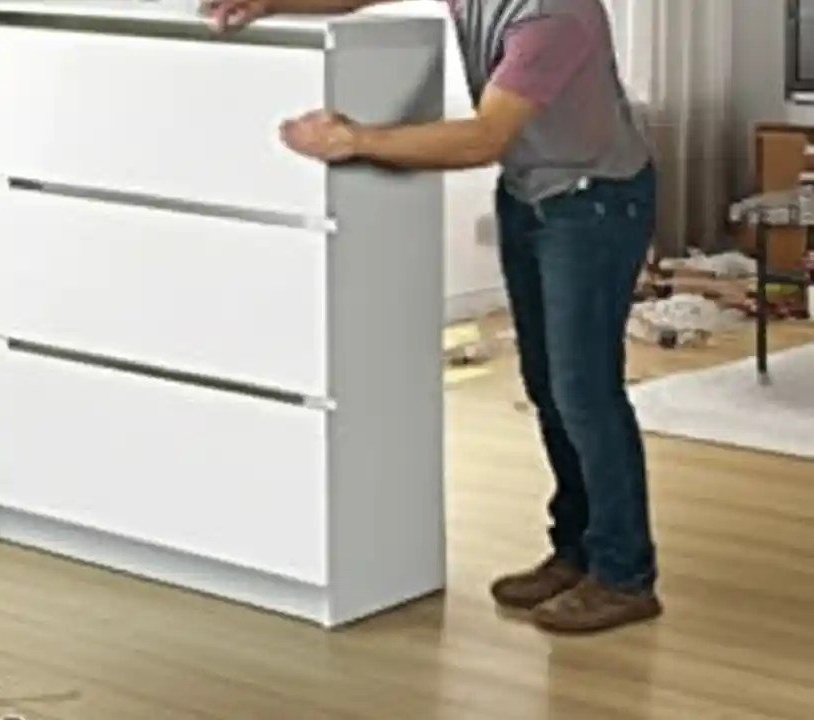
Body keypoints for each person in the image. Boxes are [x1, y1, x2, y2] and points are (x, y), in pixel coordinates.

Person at [204, 0, 660, 634]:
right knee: (547, 386)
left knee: (584, 392)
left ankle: (623, 575)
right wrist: (274, 2)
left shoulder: (558, 16)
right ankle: (576, 551)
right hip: (532, 195)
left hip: (594, 202)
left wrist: (353, 140)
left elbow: (482, 137)